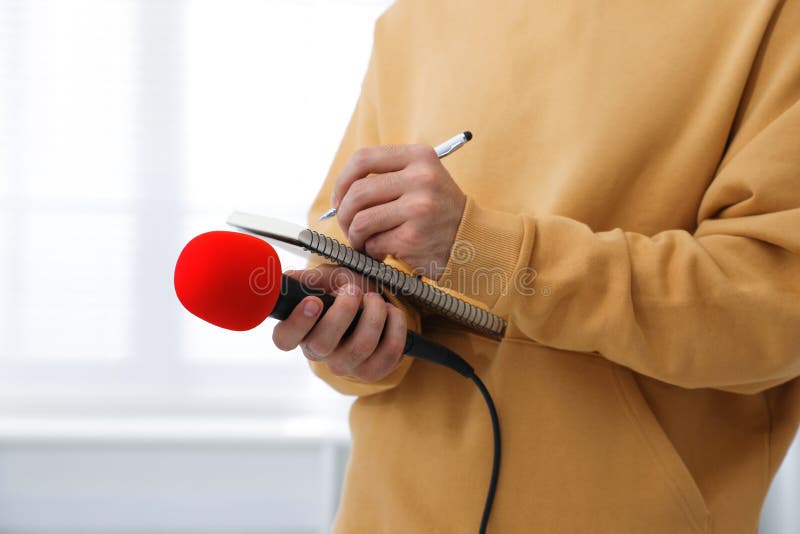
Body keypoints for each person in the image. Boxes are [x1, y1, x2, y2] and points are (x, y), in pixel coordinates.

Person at [272, 1, 800, 532]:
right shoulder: (413, 18)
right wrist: (355, 328)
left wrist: (488, 252)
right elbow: (342, 244)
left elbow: (777, 310)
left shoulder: (773, 15)